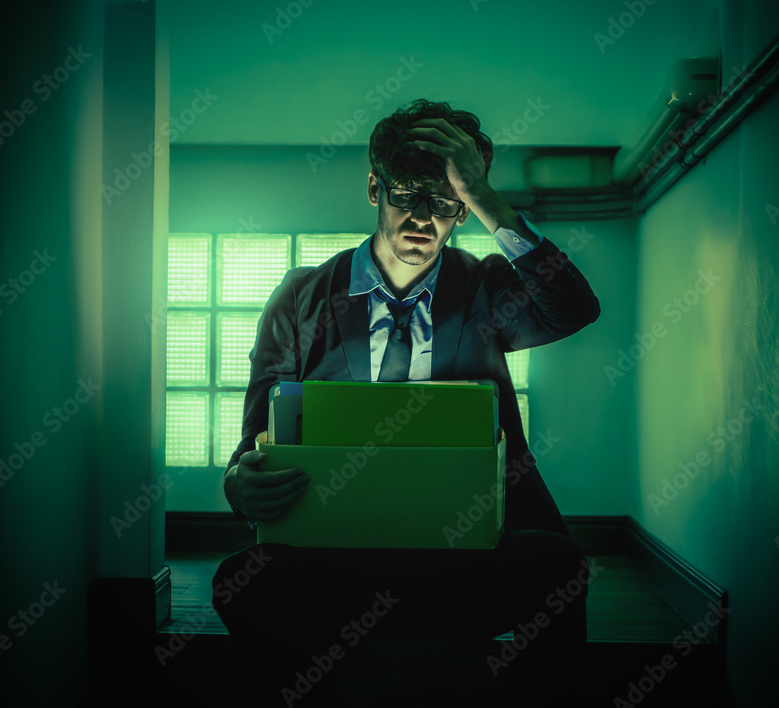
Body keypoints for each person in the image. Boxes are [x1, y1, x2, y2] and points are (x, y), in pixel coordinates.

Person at [213, 99, 601, 707]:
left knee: (559, 566)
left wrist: (484, 194)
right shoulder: (300, 298)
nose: (423, 217)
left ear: (463, 209)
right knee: (240, 583)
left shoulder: (485, 286)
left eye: (445, 201)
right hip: (339, 565)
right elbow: (253, 444)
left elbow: (572, 308)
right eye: (406, 196)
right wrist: (239, 481)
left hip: (463, 564)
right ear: (374, 188)